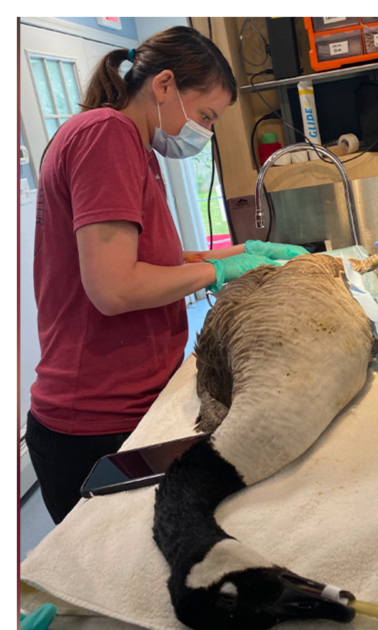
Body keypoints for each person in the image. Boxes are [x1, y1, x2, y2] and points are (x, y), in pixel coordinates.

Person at [28, 26, 306, 524]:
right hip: (95, 421)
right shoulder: (105, 135)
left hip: (130, 403)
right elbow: (114, 288)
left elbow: (149, 262)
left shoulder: (135, 146)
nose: (205, 131)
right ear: (164, 85)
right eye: (205, 115)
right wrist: (216, 271)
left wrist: (238, 251)